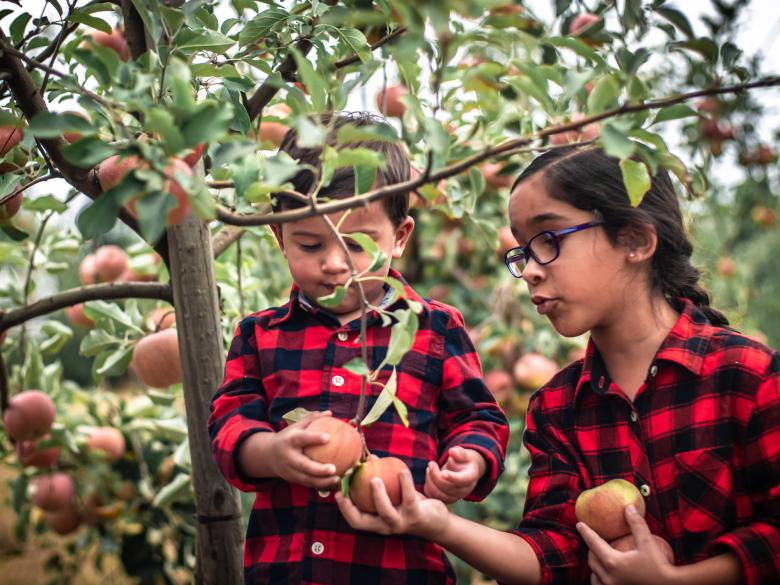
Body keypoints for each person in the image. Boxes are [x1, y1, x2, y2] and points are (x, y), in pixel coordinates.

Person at [335, 145, 780, 585]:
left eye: (548, 240)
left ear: (636, 239)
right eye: (523, 250)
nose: (528, 269)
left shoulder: (747, 376)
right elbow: (553, 554)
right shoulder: (556, 407)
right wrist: (437, 524)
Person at [208, 111, 509, 585]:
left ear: (400, 237)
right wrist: (271, 452)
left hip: (403, 571)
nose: (333, 264)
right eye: (309, 244)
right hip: (286, 571)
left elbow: (479, 418)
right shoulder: (259, 335)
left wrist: (470, 460)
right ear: (278, 235)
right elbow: (229, 427)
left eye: (356, 245)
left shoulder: (434, 328)